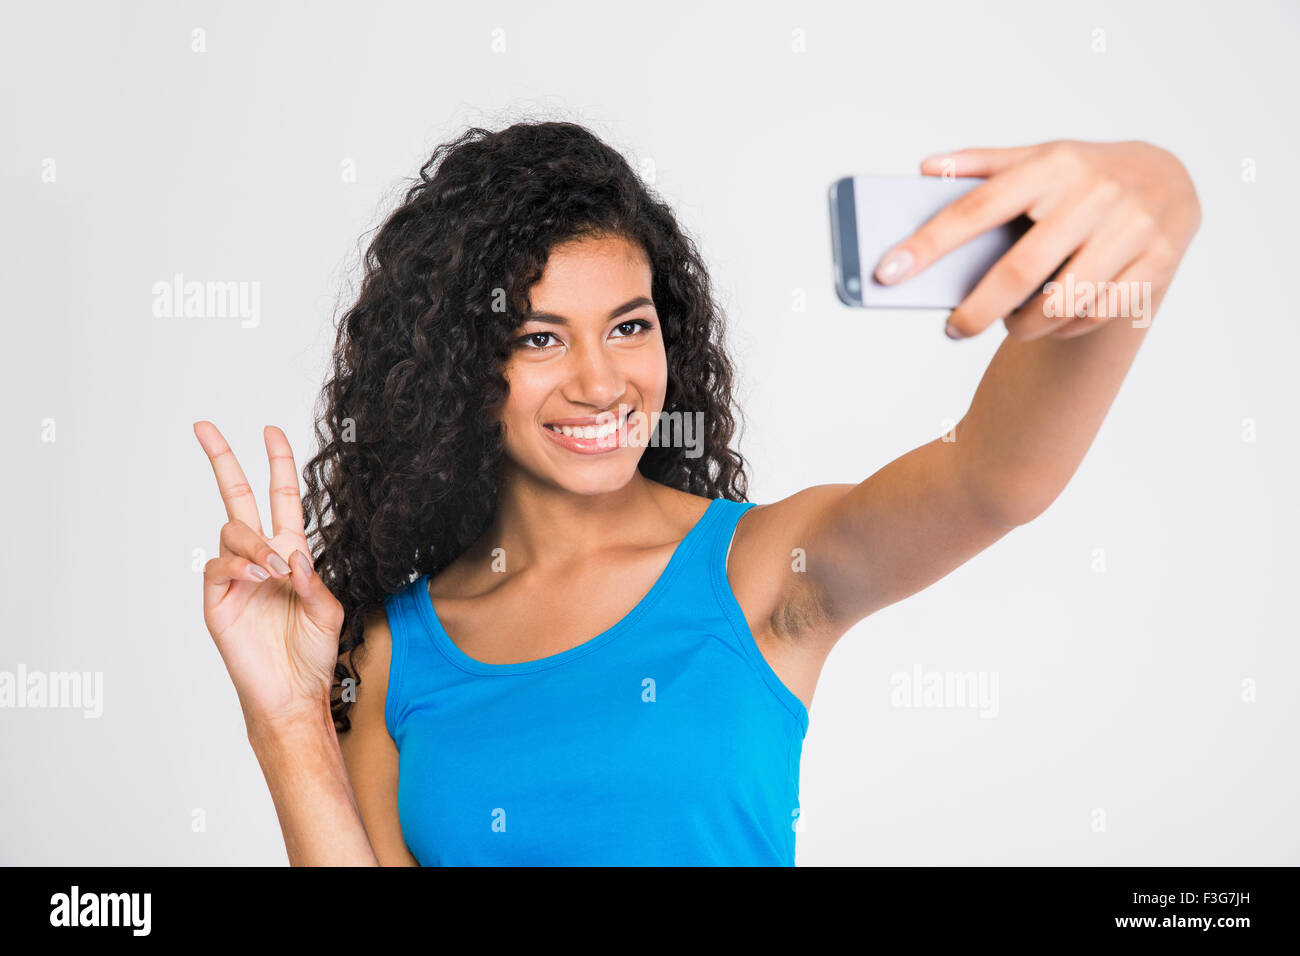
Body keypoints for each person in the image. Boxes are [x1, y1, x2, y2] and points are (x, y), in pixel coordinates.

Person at [193, 123, 1201, 865]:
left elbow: (993, 477)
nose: (599, 380)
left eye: (629, 326)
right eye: (541, 337)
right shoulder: (395, 645)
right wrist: (286, 721)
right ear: (461, 365)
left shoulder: (761, 570)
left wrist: (1155, 194)